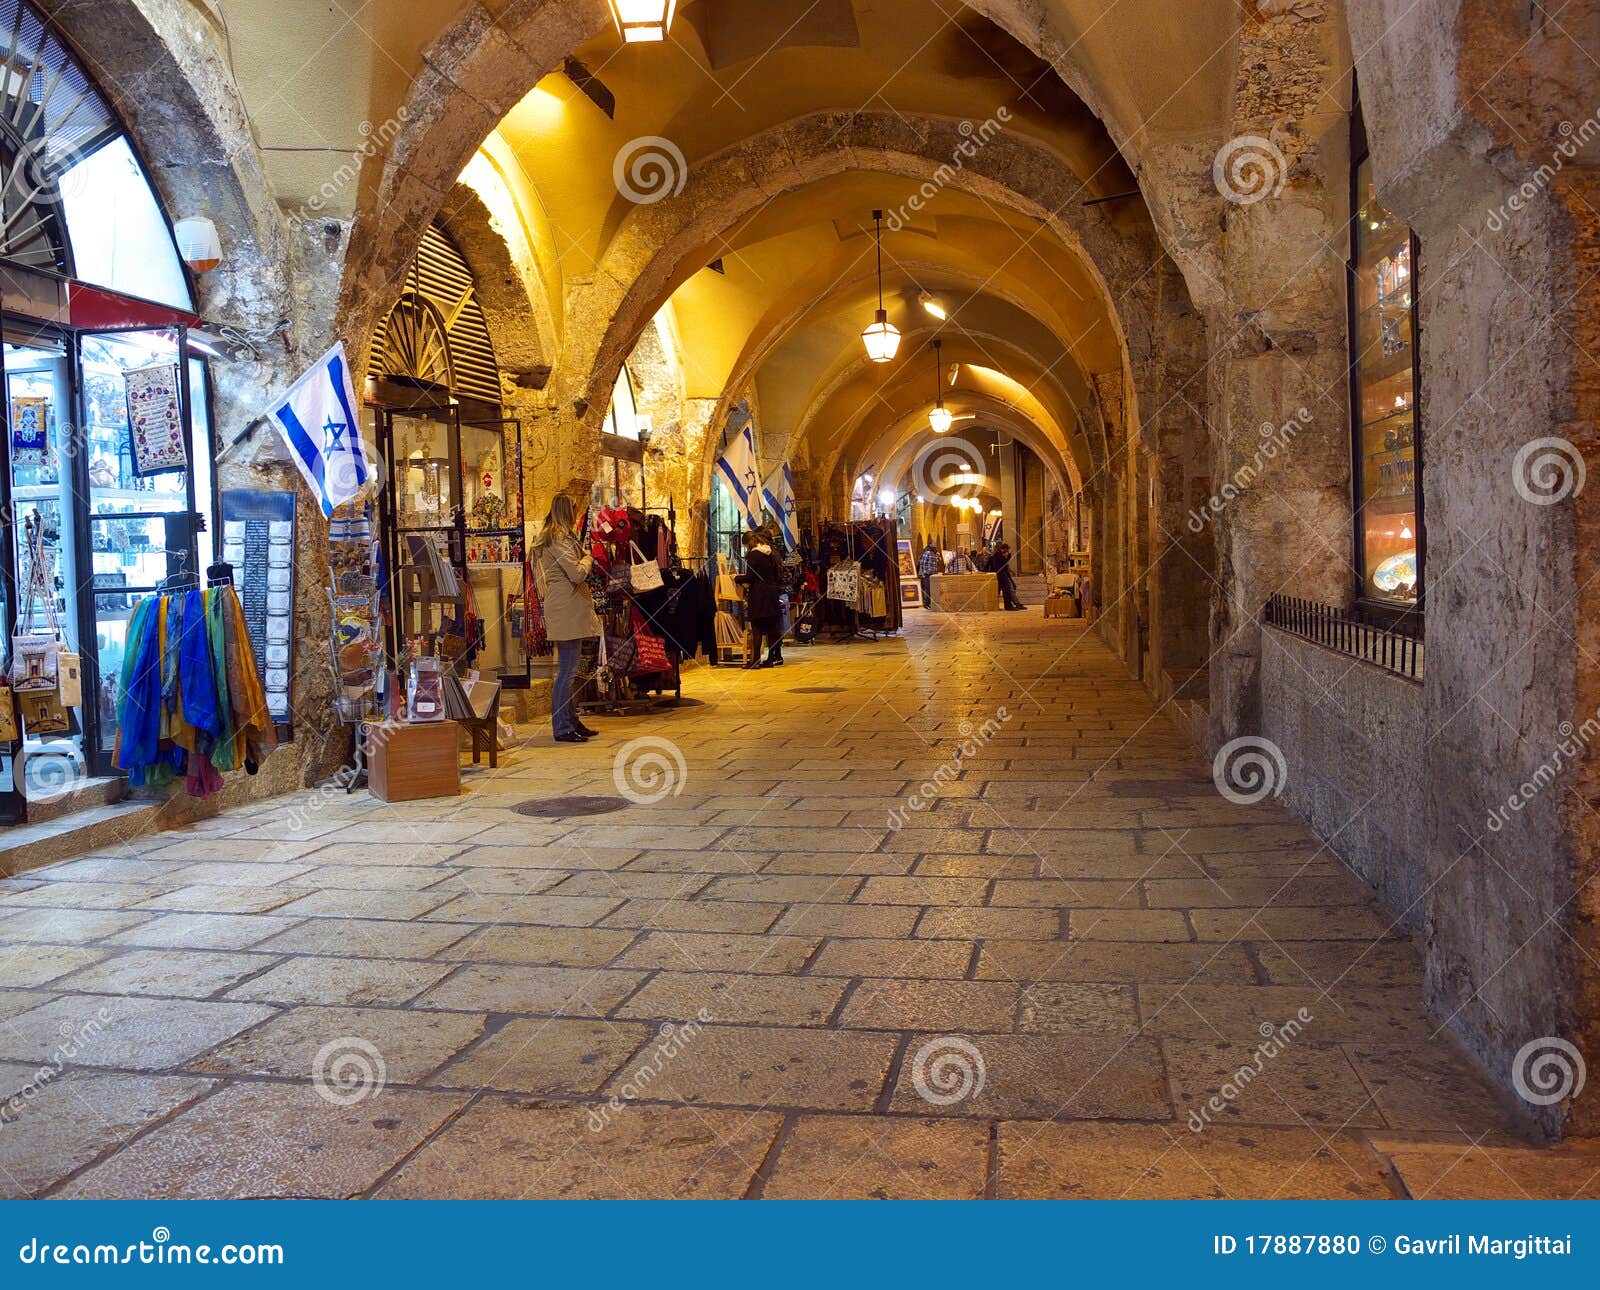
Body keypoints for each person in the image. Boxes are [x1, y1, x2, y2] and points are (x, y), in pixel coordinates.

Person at [533, 494, 601, 743]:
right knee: (567, 672)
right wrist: (588, 558)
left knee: (571, 670)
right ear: (566, 511)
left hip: (571, 608)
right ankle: (562, 727)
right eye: (574, 509)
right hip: (566, 609)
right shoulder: (557, 538)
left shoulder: (563, 536)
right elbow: (576, 573)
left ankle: (572, 720)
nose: (576, 514)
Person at [737, 529, 784, 669]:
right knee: (771, 628)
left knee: (756, 627)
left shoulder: (754, 555)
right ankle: (770, 659)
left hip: (759, 595)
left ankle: (755, 660)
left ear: (748, 544)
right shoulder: (769, 553)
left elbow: (750, 577)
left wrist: (736, 578)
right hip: (771, 593)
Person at [994, 541, 1025, 611]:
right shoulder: (998, 554)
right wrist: (1009, 554)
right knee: (1007, 590)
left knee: (1009, 589)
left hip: (1003, 574)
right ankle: (1008, 606)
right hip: (1001, 574)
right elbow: (1005, 562)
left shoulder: (998, 554)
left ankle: (1012, 604)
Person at [917, 539, 945, 605]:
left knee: (934, 588)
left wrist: (938, 557)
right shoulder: (928, 552)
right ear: (930, 544)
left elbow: (939, 560)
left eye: (935, 543)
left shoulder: (936, 552)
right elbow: (922, 562)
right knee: (928, 588)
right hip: (928, 573)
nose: (935, 544)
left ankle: (933, 603)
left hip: (934, 573)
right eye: (934, 543)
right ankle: (927, 603)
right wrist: (923, 571)